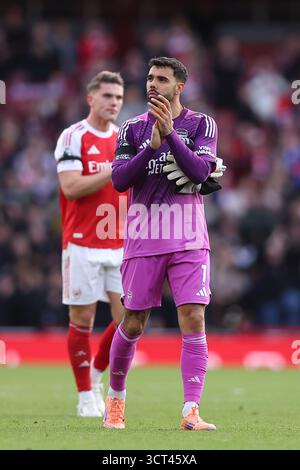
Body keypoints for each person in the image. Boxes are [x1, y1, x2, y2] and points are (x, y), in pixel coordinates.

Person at [103, 57, 225, 430]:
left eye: (162, 79)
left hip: (188, 236)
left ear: (180, 86)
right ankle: (116, 401)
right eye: (150, 78)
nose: (153, 84)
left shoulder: (202, 124)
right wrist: (151, 146)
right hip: (145, 234)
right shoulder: (132, 129)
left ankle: (191, 410)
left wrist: (171, 135)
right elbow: (120, 181)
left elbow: (203, 171)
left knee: (193, 315)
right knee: (135, 322)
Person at [54, 71, 126, 417]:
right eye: (108, 96)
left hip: (121, 242)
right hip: (82, 241)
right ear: (91, 99)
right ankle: (85, 397)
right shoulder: (73, 136)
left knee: (131, 317)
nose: (114, 102)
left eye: (119, 97)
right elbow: (70, 187)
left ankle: (96, 373)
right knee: (82, 318)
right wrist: (113, 170)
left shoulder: (126, 139)